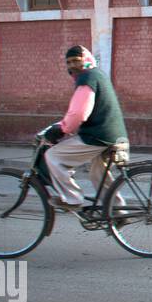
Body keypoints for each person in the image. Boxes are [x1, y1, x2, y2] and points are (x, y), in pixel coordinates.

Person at [37, 46, 129, 214]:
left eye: (76, 60)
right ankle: (118, 210)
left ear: (85, 59)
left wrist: (62, 130)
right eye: (69, 62)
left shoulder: (87, 78)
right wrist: (64, 126)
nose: (72, 65)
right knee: (98, 174)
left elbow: (79, 112)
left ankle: (72, 199)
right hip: (113, 134)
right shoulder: (97, 74)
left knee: (53, 156)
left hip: (98, 135)